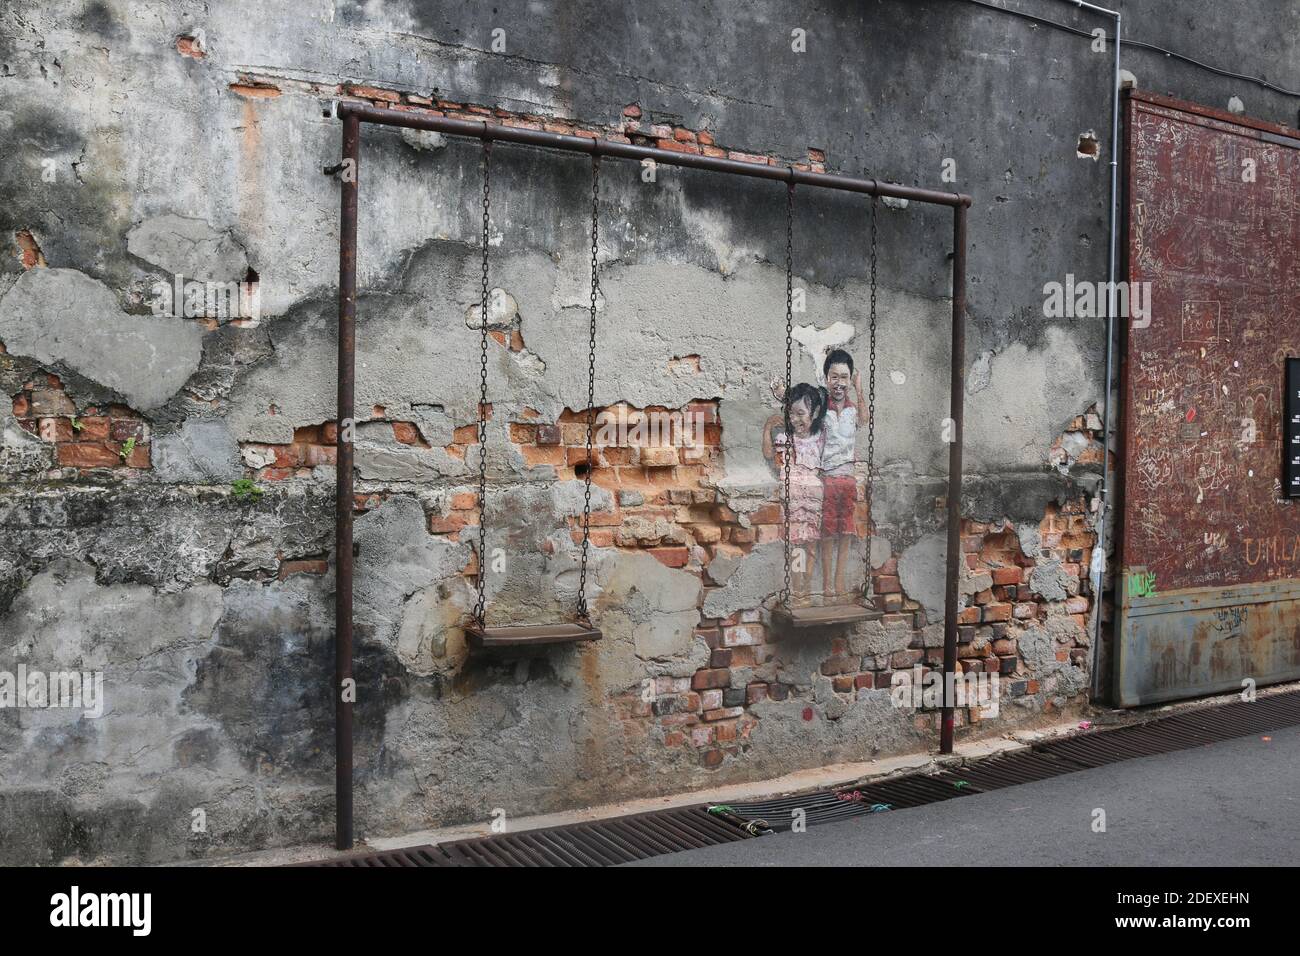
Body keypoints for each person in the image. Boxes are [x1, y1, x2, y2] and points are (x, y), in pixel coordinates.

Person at [762, 382, 826, 604]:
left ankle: (806, 588)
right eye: (791, 413)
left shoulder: (819, 437)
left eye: (801, 413)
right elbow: (770, 455)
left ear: (814, 413)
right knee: (796, 545)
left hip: (813, 500)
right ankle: (795, 587)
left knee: (811, 544)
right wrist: (769, 427)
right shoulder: (785, 439)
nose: (795, 419)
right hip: (793, 500)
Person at [818, 349, 864, 601]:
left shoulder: (853, 409)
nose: (839, 383)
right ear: (826, 378)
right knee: (827, 533)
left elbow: (866, 420)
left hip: (847, 479)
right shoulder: (819, 408)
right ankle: (827, 584)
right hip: (827, 478)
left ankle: (839, 581)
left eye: (844, 377)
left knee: (846, 532)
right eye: (834, 377)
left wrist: (859, 389)